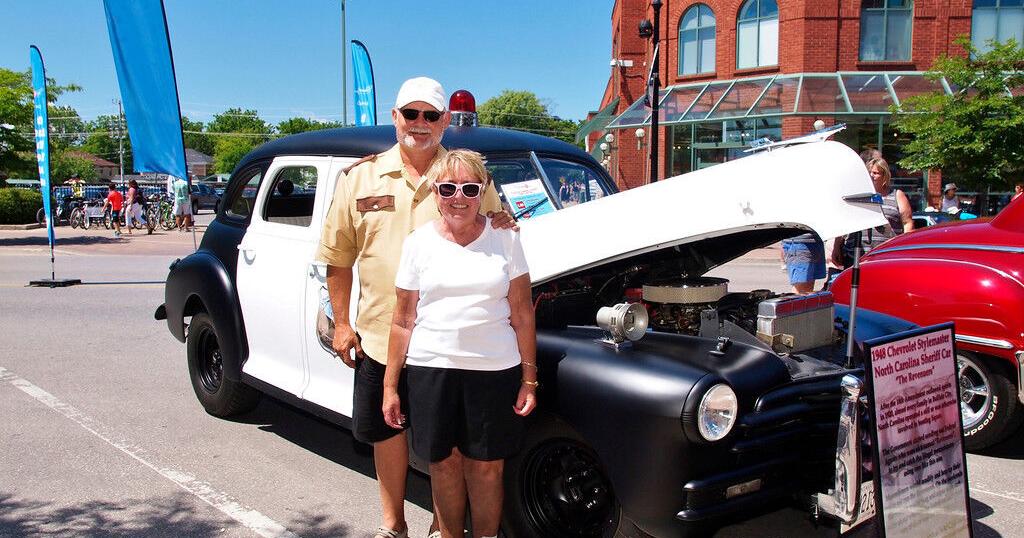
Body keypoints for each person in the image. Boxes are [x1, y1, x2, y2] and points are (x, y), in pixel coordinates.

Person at [317, 77, 514, 538]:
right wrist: (342, 323)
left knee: (447, 446)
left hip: (446, 344)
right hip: (382, 333)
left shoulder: (468, 175)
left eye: (431, 115)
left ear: (446, 122)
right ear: (395, 117)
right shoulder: (360, 178)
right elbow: (338, 258)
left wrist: (505, 219)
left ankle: (442, 524)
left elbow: (496, 233)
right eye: (411, 114)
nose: (420, 124)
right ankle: (394, 525)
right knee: (388, 436)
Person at [382, 150, 537, 538]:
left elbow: (522, 313)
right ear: (435, 192)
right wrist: (389, 386)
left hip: (493, 372)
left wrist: (528, 379)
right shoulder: (418, 243)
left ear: (483, 190)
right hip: (431, 370)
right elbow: (403, 319)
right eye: (448, 187)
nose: (459, 197)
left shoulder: (505, 237)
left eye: (470, 188)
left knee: (486, 465)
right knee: (445, 463)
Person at [830, 158, 913, 268]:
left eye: (875, 173)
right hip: (855, 255)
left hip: (885, 255)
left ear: (885, 175)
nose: (871, 175)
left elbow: (907, 222)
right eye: (868, 172)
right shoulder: (857, 195)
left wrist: (904, 246)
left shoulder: (896, 195)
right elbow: (844, 221)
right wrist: (836, 247)